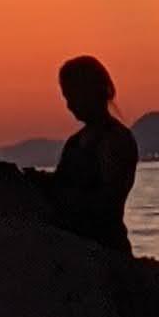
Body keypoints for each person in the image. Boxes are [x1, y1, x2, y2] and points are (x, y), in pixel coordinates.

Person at [47, 53, 138, 255]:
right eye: (66, 97)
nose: (69, 105)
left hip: (106, 249)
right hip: (76, 247)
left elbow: (109, 200)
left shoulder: (116, 140)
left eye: (72, 95)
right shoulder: (75, 143)